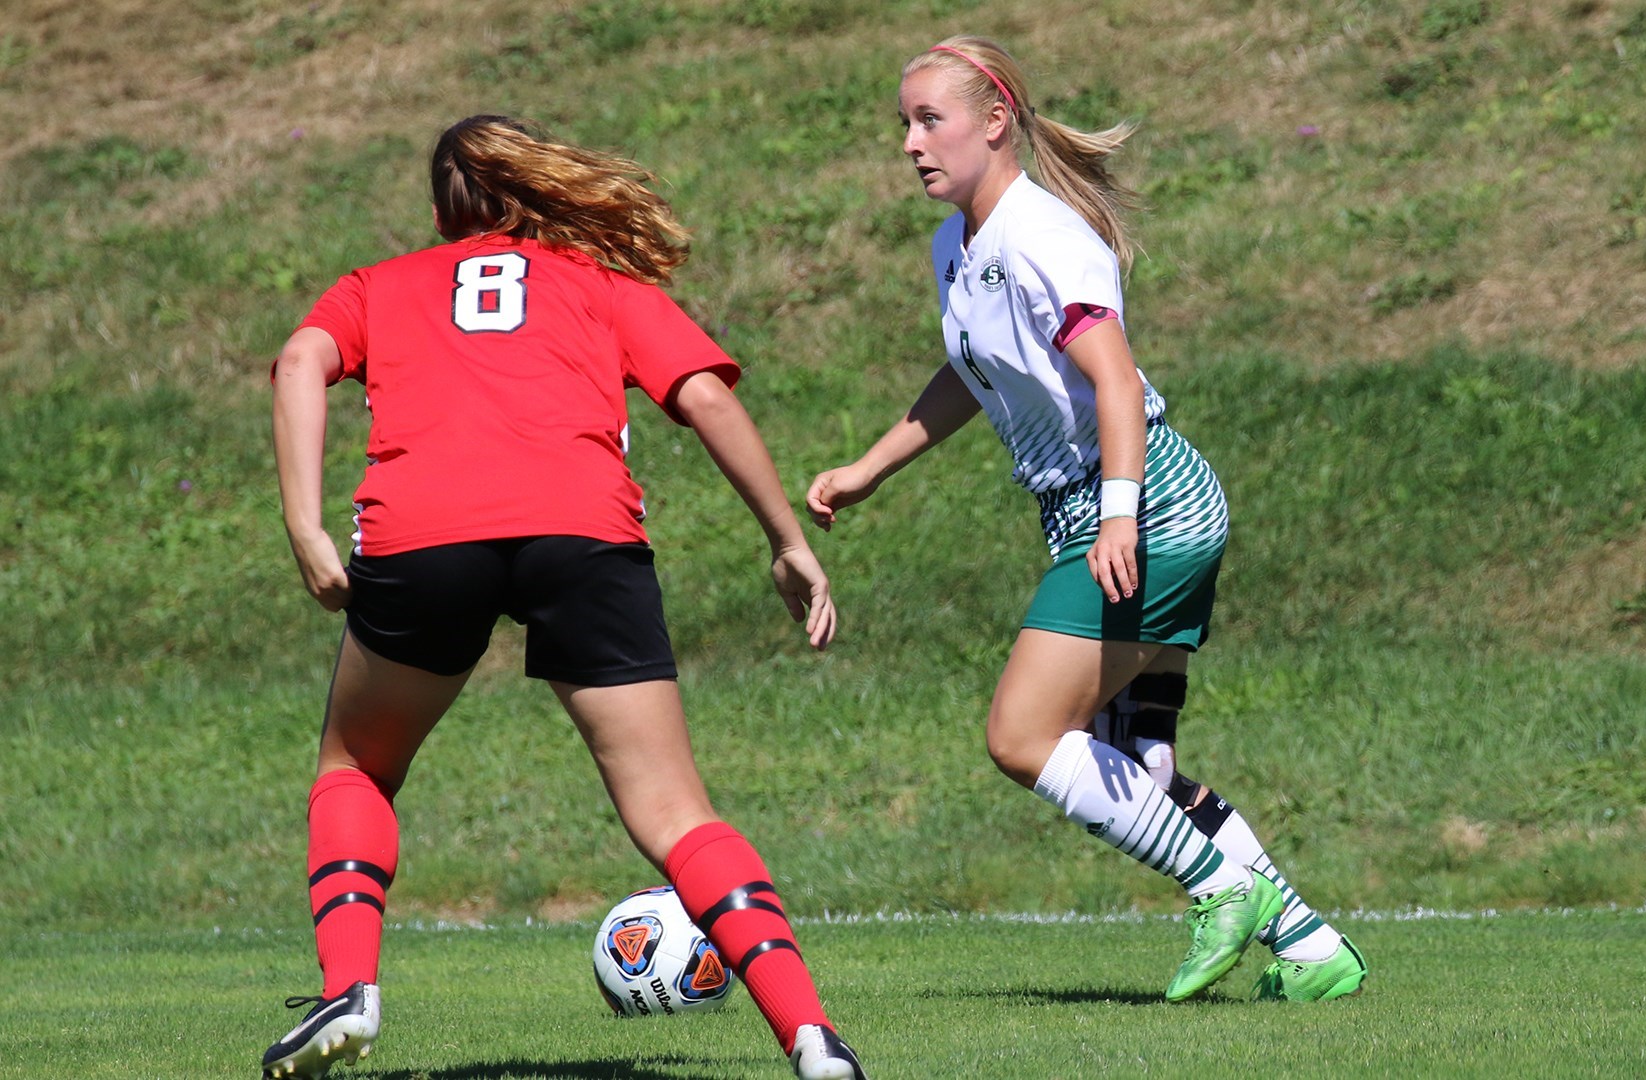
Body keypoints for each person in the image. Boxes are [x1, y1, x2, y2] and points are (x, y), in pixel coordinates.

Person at [264, 116, 865, 1080]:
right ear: (532, 199)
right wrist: (788, 542)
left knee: (357, 769)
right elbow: (705, 395)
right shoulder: (598, 283)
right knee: (675, 814)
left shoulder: (380, 284)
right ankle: (811, 1036)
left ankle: (351, 992)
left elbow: (301, 360)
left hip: (425, 535)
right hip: (583, 533)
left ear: (438, 215)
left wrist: (306, 529)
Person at [806, 37, 1366, 1004]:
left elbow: (1112, 379)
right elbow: (974, 376)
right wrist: (870, 469)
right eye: (902, 123)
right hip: (1105, 510)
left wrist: (1118, 517)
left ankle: (1223, 887)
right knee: (1139, 768)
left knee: (1022, 736)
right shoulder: (959, 245)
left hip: (1145, 505)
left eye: (928, 120)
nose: (909, 142)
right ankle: (1313, 949)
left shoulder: (1042, 233)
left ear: (994, 122)